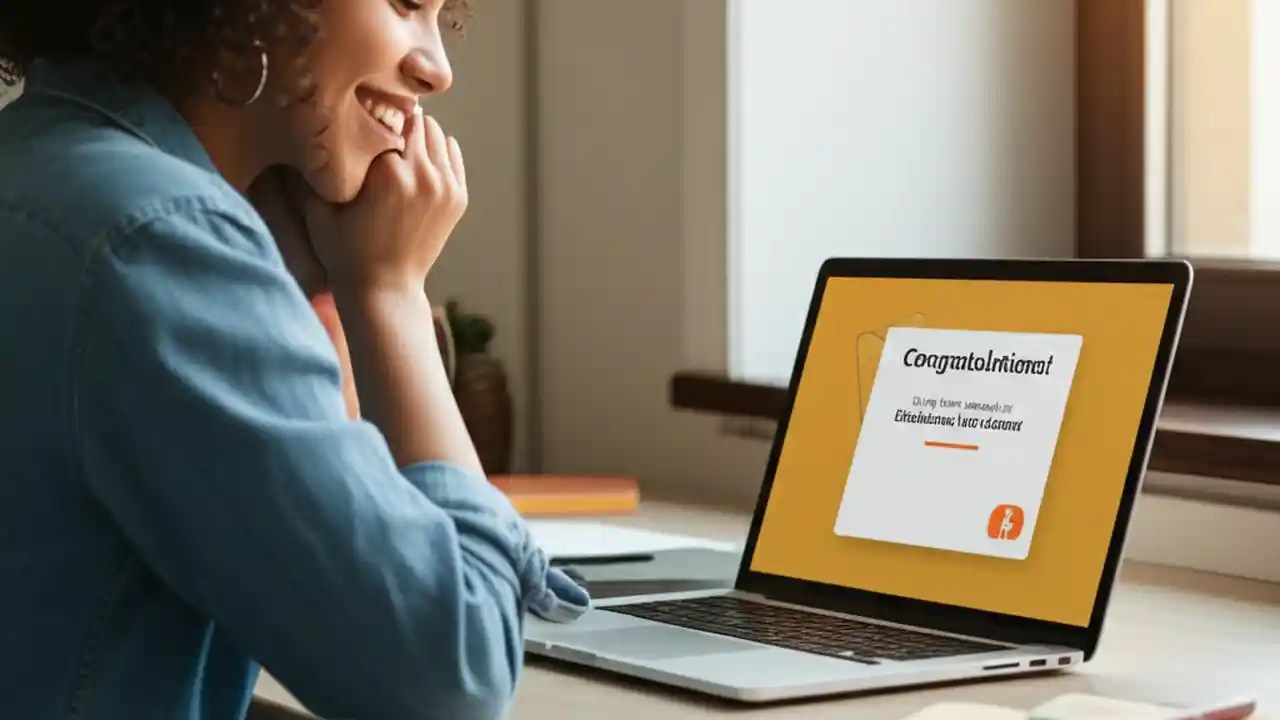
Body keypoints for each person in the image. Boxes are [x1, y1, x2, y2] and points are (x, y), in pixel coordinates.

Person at [0, 1, 588, 718]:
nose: (436, 69)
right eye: (405, 5)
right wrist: (389, 290)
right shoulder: (162, 239)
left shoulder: (40, 170)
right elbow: (448, 681)